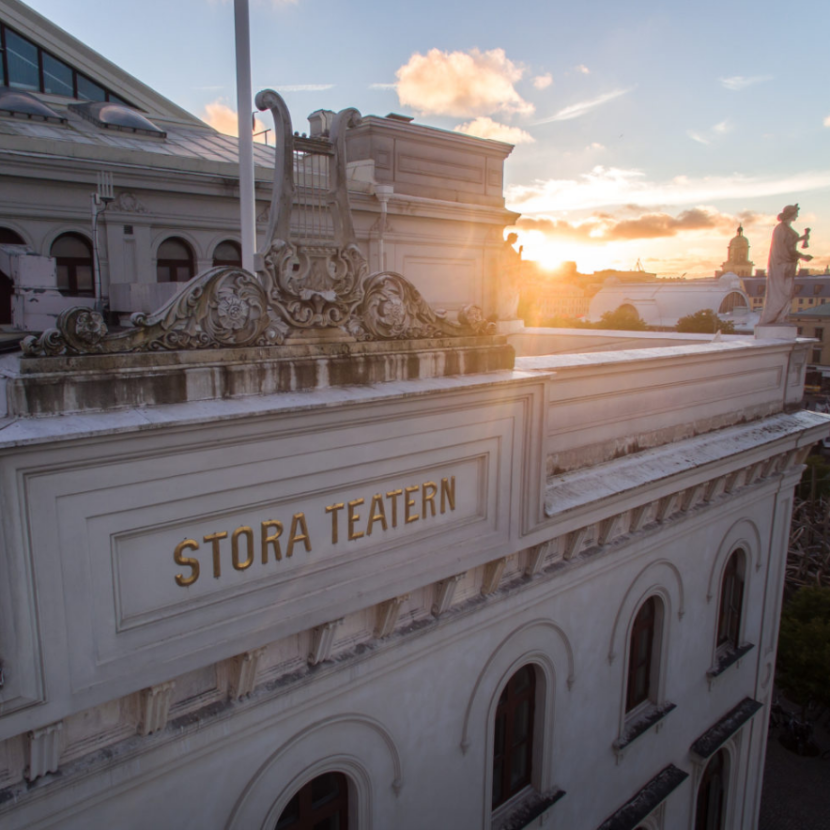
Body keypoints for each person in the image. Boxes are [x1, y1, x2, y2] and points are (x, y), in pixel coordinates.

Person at [759, 204, 813, 325]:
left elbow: (789, 243)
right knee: (782, 292)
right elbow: (785, 249)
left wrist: (801, 238)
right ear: (790, 214)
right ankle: (774, 318)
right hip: (782, 266)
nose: (797, 216)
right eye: (796, 213)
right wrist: (802, 256)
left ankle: (780, 317)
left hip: (786, 265)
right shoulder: (781, 229)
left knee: (786, 293)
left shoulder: (784, 228)